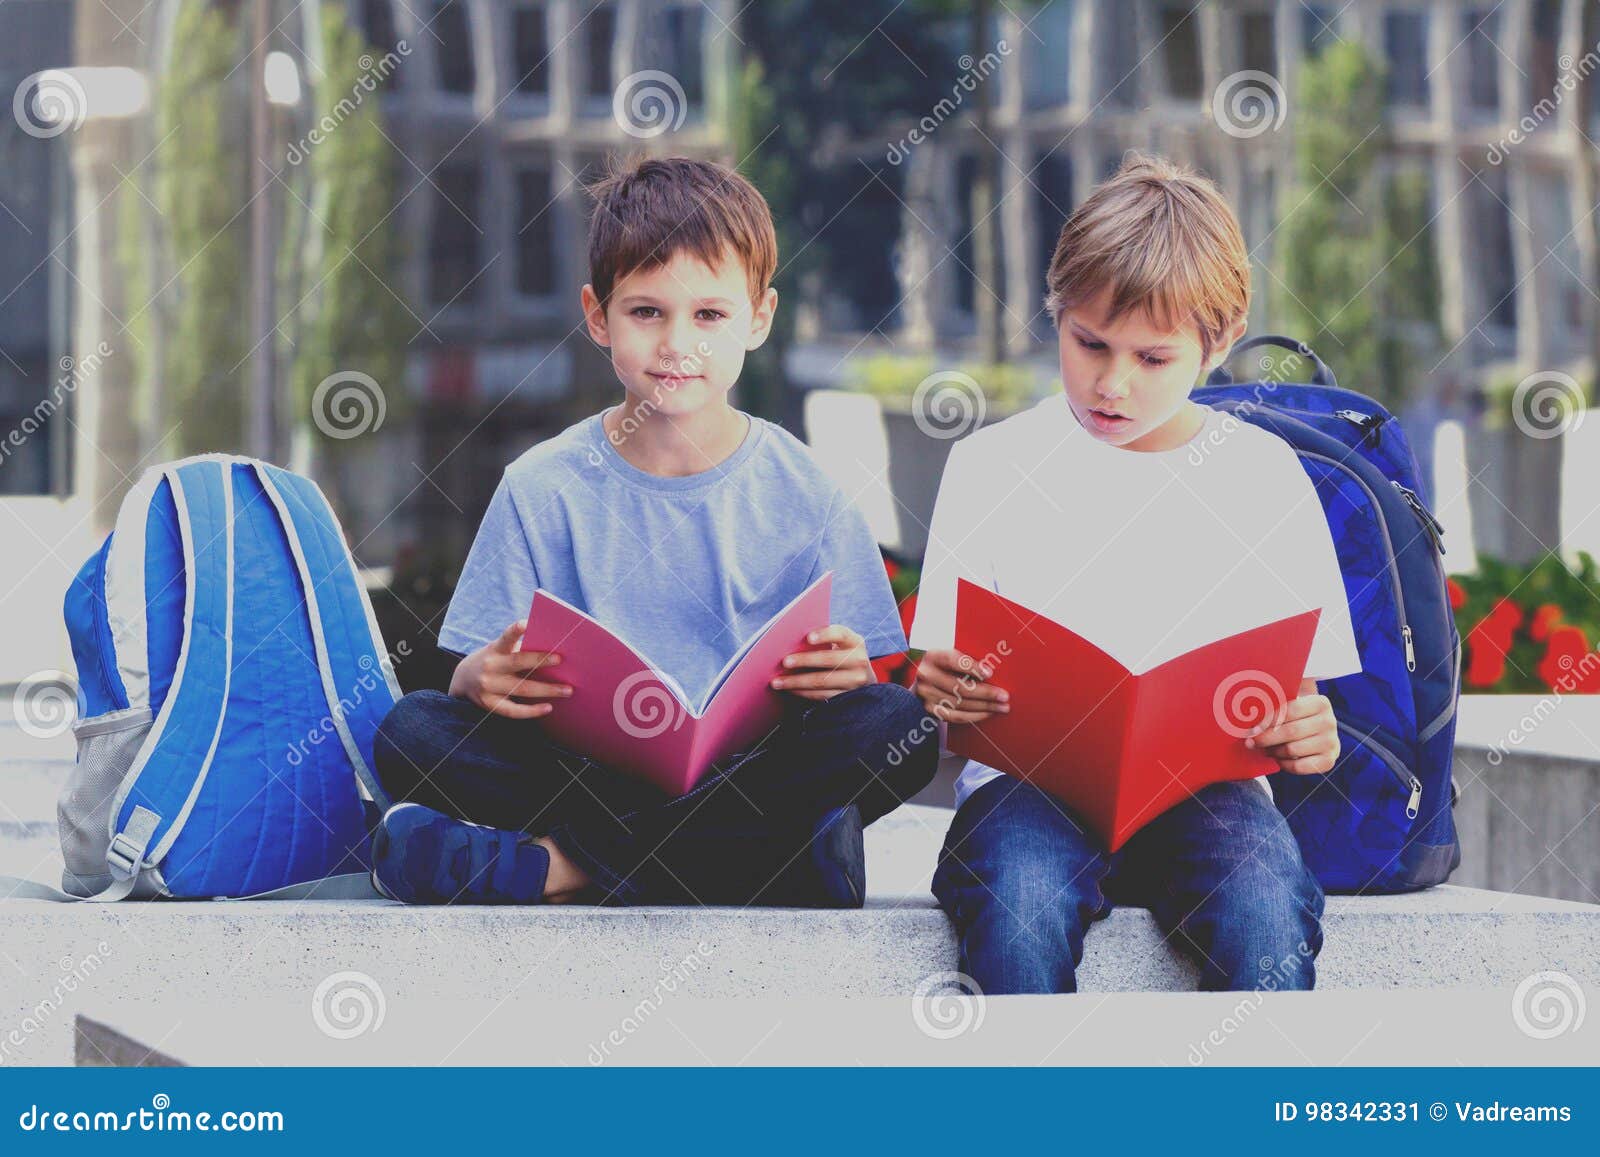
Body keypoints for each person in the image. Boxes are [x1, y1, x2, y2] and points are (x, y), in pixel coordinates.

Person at [370, 156, 937, 907]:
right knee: (412, 730)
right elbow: (477, 675)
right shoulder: (541, 485)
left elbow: (859, 696)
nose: (678, 344)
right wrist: (475, 680)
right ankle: (784, 862)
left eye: (709, 315)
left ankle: (556, 868)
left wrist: (848, 678)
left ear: (759, 318)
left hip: (751, 769)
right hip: (587, 773)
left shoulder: (811, 491)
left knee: (900, 726)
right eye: (647, 312)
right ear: (597, 315)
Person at [910, 153, 1361, 993]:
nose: (1111, 384)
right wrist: (940, 690)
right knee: (1017, 907)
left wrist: (1312, 733)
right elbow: (946, 681)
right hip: (1025, 789)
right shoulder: (992, 466)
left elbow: (1300, 698)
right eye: (1089, 344)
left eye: (1152, 359)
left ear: (1219, 341)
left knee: (1266, 912)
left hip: (1210, 797)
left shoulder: (1262, 476)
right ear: (1057, 315)